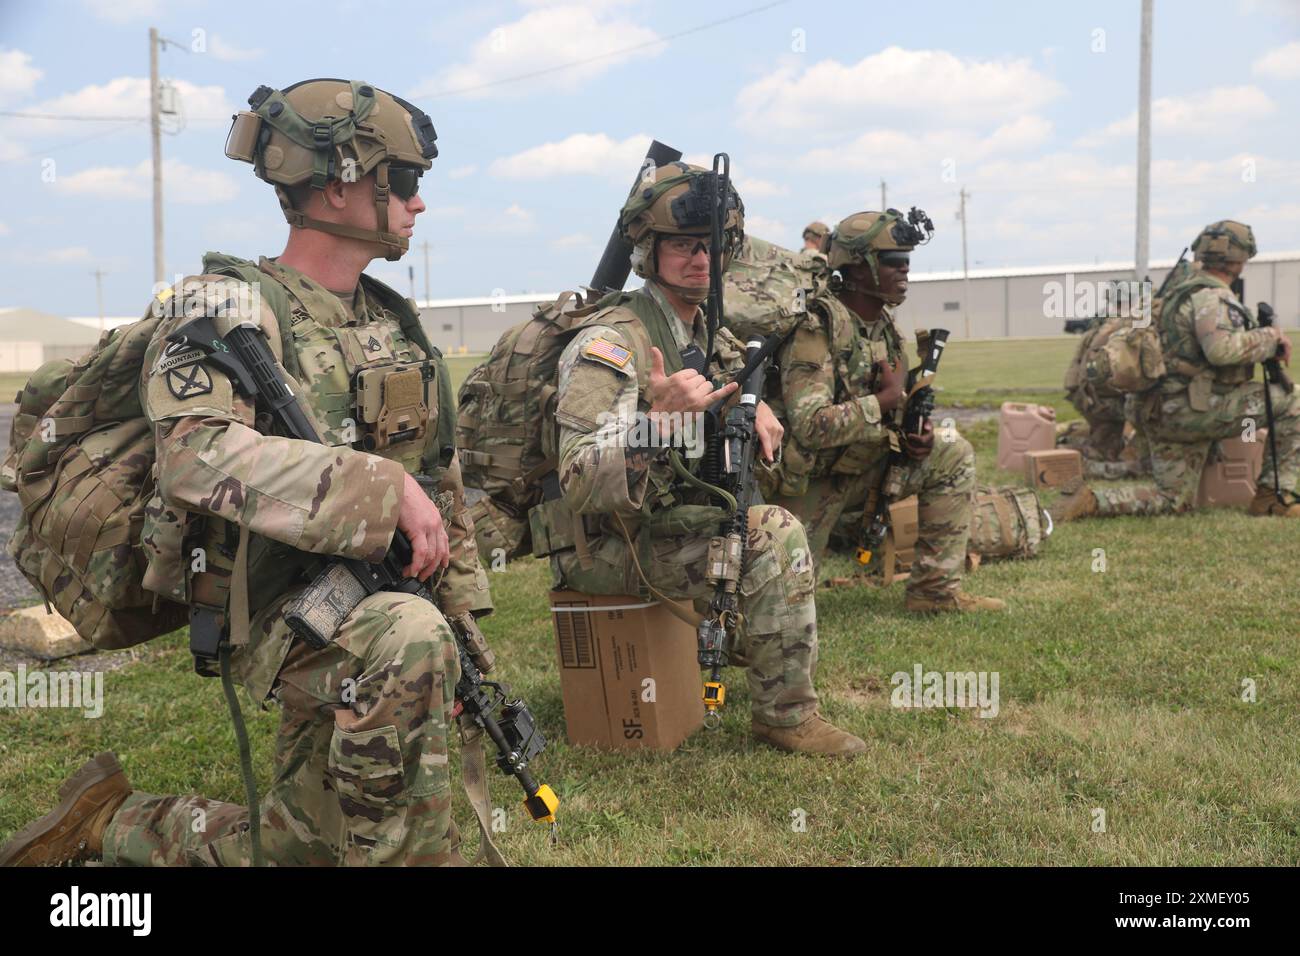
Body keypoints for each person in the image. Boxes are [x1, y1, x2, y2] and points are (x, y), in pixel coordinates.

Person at [0, 78, 492, 867]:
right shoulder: (225, 305)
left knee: (301, 853)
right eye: (403, 181)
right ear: (340, 184)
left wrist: (464, 621)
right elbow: (195, 456)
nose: (418, 204)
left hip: (370, 597)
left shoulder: (387, 322)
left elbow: (440, 479)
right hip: (265, 602)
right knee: (408, 638)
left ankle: (110, 823)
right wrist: (377, 489)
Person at [532, 162, 866, 756]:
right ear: (646, 251)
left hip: (664, 526)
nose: (700, 259)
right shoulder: (611, 342)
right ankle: (786, 715)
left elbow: (731, 380)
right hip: (604, 546)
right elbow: (578, 479)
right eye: (683, 246)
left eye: (713, 246)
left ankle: (720, 648)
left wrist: (751, 403)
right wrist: (657, 425)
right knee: (777, 537)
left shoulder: (704, 331)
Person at [760, 210, 1004, 613]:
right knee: (785, 608)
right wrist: (884, 401)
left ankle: (934, 592)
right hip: (811, 484)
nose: (904, 269)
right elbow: (810, 427)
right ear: (857, 268)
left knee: (952, 453)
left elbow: (887, 404)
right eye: (893, 260)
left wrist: (912, 433)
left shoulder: (883, 328)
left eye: (907, 259)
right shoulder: (817, 328)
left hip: (865, 467)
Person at [1052, 220, 1298, 521]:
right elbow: (1220, 350)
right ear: (1240, 259)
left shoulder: (1174, 295)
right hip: (1193, 411)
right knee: (1294, 401)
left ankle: (1092, 501)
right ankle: (1273, 497)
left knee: (1172, 500)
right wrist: (1270, 338)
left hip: (1159, 411)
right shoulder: (1212, 297)